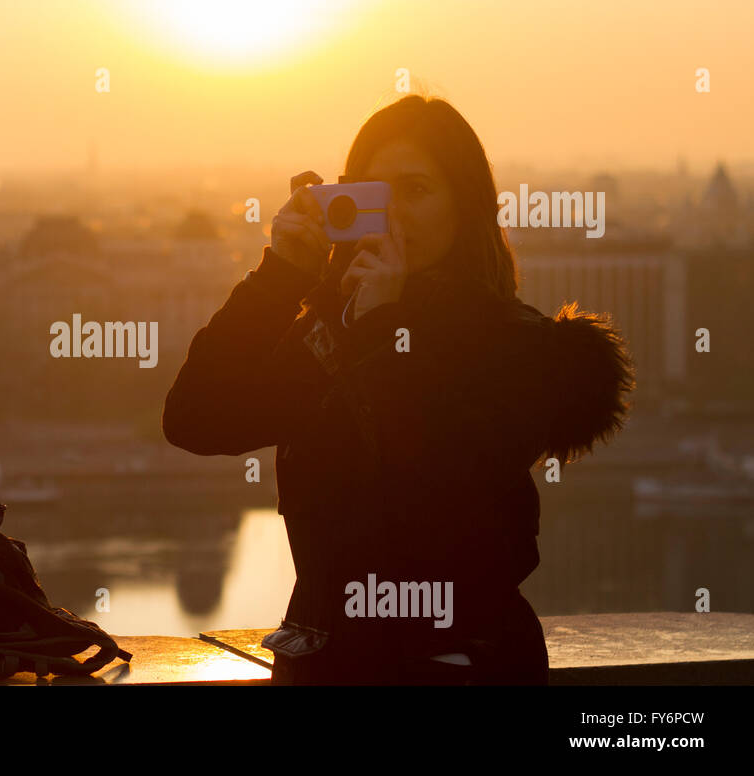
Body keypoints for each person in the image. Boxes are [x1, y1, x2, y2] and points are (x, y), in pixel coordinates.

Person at [161, 95, 635, 685]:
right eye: (374, 194)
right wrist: (278, 277)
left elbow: (441, 481)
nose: (393, 216)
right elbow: (196, 420)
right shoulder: (328, 334)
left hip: (462, 663)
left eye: (415, 191)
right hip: (327, 660)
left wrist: (384, 331)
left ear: (465, 206)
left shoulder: (522, 346)